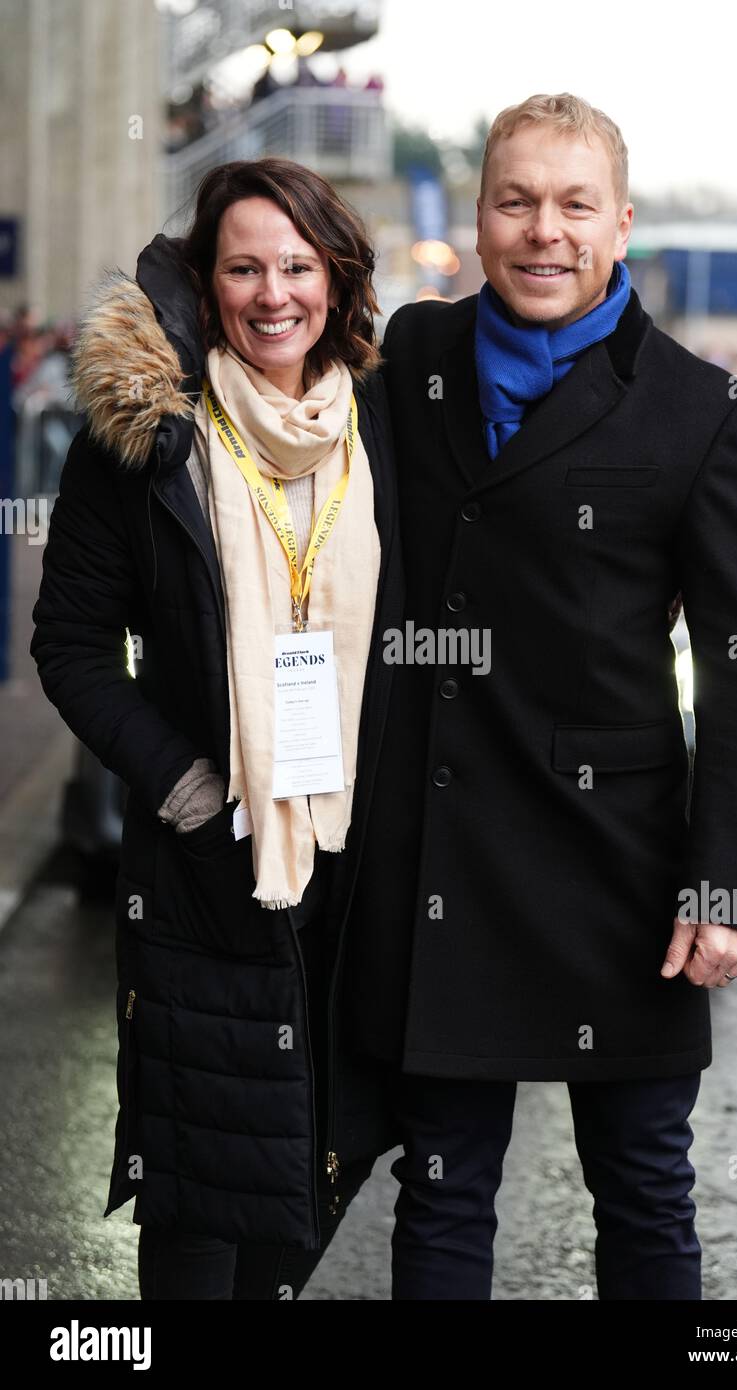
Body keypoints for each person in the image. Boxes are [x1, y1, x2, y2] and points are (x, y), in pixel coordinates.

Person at [342, 92, 737, 1300]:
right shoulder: (409, 362)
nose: (546, 230)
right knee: (438, 1194)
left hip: (621, 865)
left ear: (622, 224)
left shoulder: (701, 409)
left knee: (645, 1188)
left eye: (574, 205)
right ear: (480, 219)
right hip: (443, 853)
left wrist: (729, 880)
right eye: (517, 200)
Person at [30, 157, 404, 1299]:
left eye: (298, 265)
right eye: (245, 266)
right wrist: (183, 786)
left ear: (336, 281)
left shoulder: (387, 426)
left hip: (351, 858)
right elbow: (72, 647)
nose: (273, 292)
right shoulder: (146, 438)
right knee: (198, 1182)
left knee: (321, 1155)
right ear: (207, 280)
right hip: (206, 867)